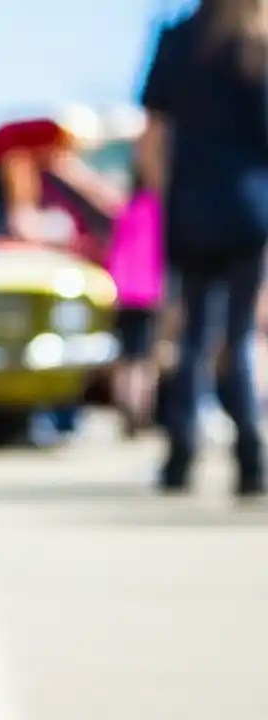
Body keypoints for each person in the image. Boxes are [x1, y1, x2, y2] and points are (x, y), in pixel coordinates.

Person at [137, 0, 268, 496]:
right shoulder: (259, 42)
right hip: (250, 207)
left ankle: (181, 456)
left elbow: (152, 137)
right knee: (238, 335)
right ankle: (250, 456)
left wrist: (161, 196)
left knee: (193, 334)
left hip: (192, 206)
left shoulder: (178, 38)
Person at [107, 167, 165, 437]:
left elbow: (116, 251)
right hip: (148, 292)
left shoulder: (126, 210)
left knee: (125, 356)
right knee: (143, 357)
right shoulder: (159, 211)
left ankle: (125, 408)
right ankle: (140, 412)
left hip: (123, 291)